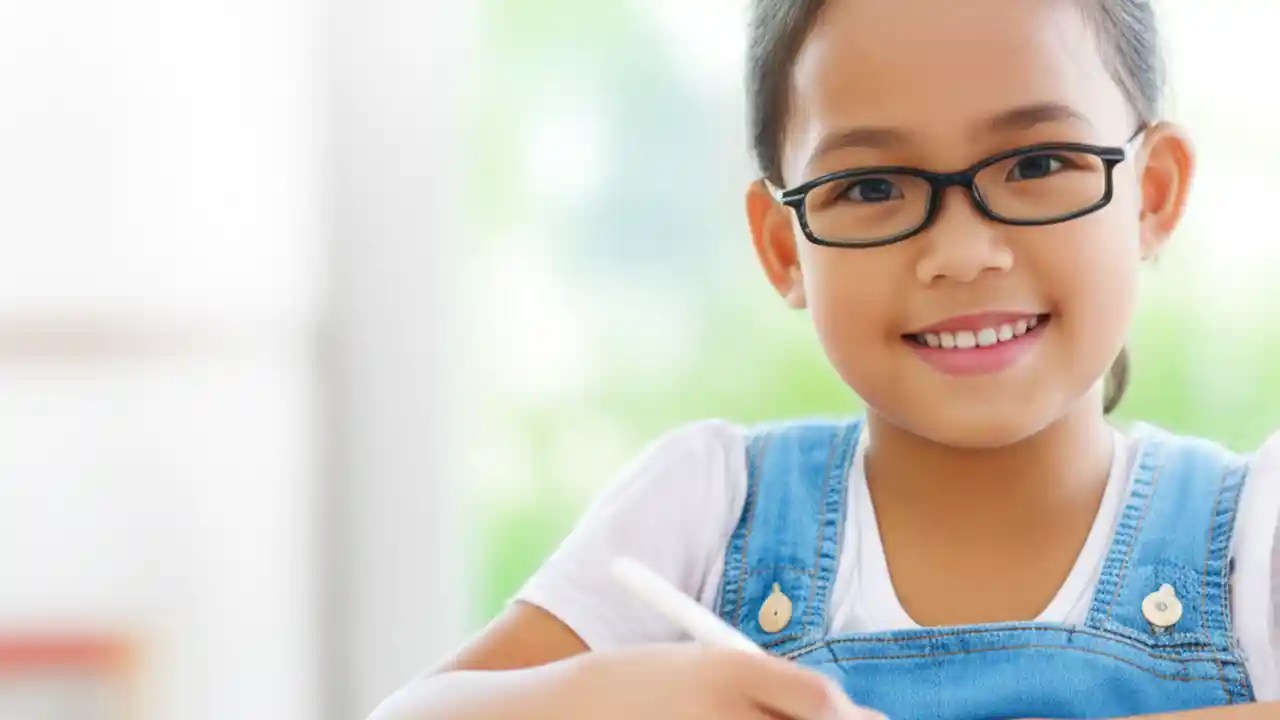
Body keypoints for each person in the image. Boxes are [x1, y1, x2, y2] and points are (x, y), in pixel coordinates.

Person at [371, 1, 1280, 717]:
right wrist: (627, 698)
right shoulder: (708, 509)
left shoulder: (1252, 540)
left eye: (1037, 165)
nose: (962, 254)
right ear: (781, 247)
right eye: (872, 187)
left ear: (1152, 193)